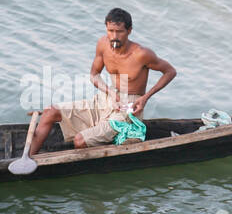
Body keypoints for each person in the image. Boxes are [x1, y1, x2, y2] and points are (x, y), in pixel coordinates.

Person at [30, 8, 177, 152]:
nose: (114, 36)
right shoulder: (102, 44)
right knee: (50, 111)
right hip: (106, 98)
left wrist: (145, 98)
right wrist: (110, 93)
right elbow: (94, 74)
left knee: (79, 141)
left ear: (129, 31)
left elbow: (170, 72)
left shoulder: (142, 54)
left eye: (119, 32)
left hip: (129, 107)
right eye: (110, 31)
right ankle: (30, 159)